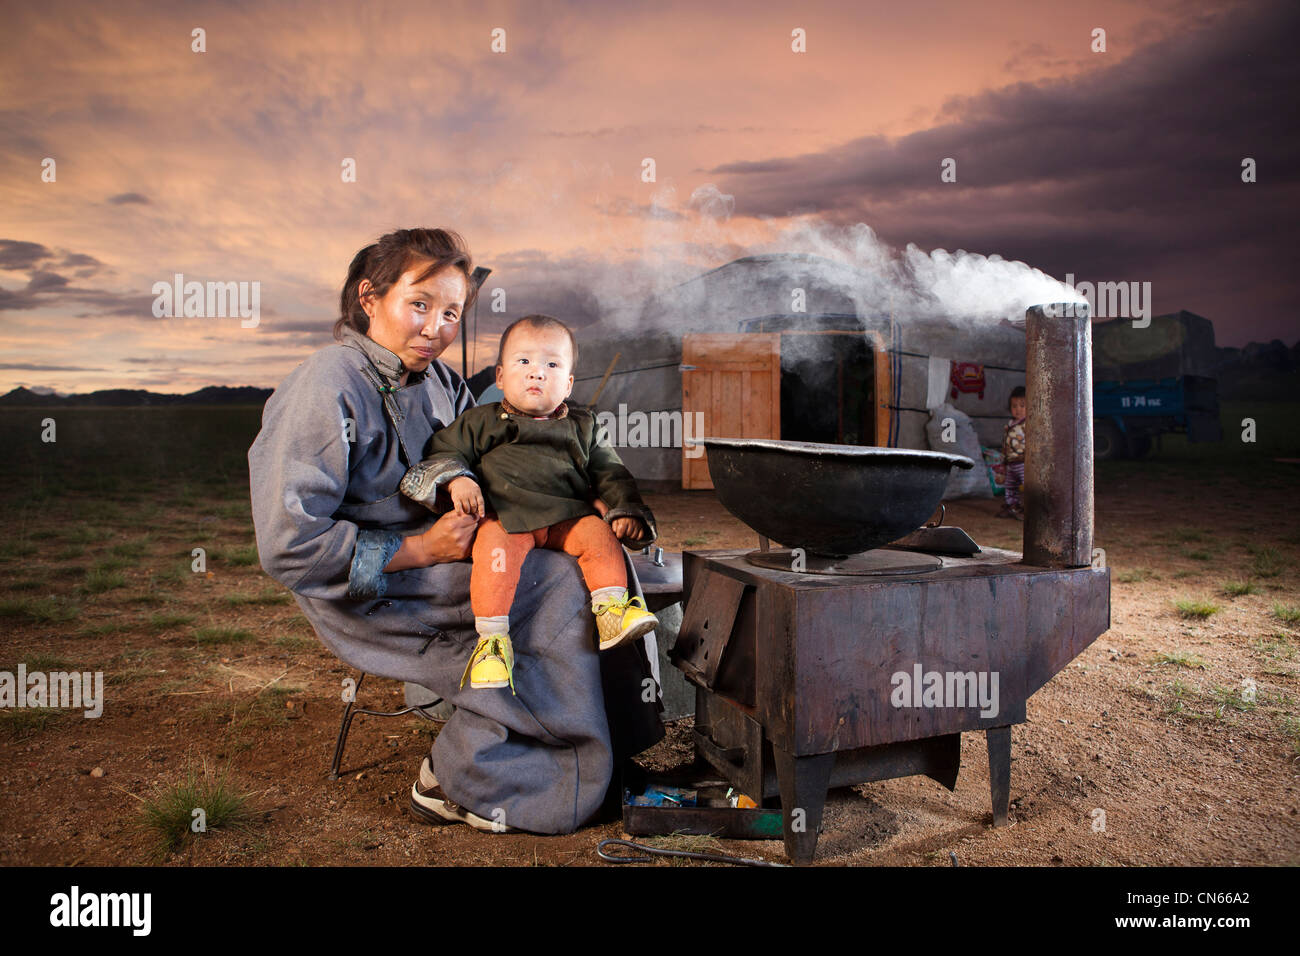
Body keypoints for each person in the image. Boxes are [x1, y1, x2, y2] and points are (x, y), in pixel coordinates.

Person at [247, 228, 663, 836]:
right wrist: (422, 546)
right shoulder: (326, 384)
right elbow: (289, 545)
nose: (436, 327)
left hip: (458, 555)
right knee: (549, 588)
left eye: (450, 313)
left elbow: (485, 460)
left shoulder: (436, 382)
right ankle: (463, 777)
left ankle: (600, 757)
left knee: (597, 566)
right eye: (420, 305)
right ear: (370, 297)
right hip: (372, 583)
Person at [400, 315, 659, 694]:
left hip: (569, 517)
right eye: (524, 362)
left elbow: (611, 473)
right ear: (501, 377)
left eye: (552, 365)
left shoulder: (584, 426)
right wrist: (458, 479)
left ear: (568, 382)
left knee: (600, 537)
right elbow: (444, 451)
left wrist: (626, 511)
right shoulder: (480, 422)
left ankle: (611, 612)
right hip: (507, 517)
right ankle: (491, 643)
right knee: (493, 553)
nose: (537, 373)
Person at [998, 385, 1027, 520]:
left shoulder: (1028, 424)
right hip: (1010, 462)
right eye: (1014, 406)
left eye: (1022, 406)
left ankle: (1029, 510)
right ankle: (1012, 506)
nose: (1018, 409)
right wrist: (1003, 459)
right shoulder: (1009, 425)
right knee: (1010, 486)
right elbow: (1005, 443)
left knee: (1027, 485)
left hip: (1023, 461)